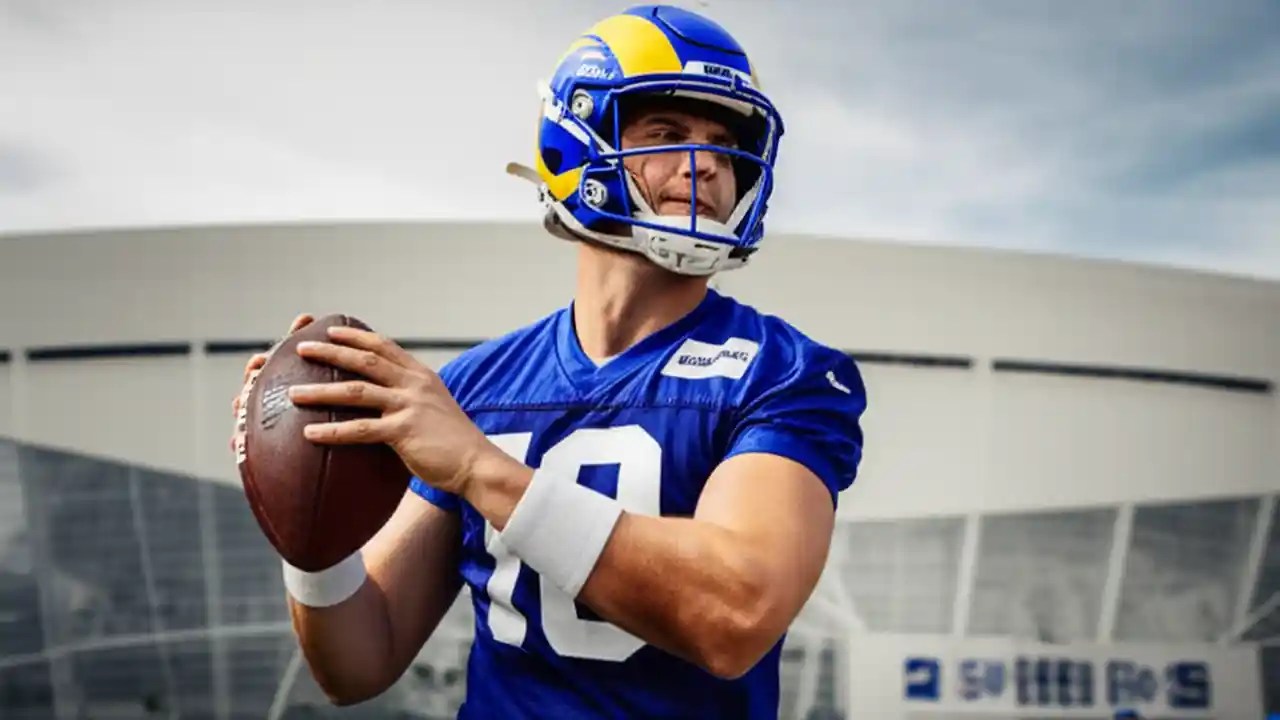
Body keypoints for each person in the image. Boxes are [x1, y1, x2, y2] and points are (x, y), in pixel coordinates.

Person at [230, 4, 867, 718]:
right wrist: (303, 513)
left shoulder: (785, 371)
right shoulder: (479, 386)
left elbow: (735, 615)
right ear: (576, 142)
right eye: (668, 133)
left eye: (723, 144)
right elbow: (358, 660)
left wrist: (482, 468)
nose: (711, 165)